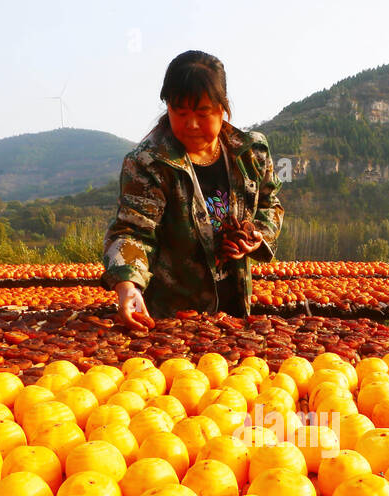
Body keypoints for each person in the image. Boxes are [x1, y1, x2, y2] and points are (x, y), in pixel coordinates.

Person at [102, 51, 285, 332]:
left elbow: (269, 204)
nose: (192, 124)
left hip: (233, 312)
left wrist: (255, 235)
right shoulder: (149, 163)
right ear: (167, 107)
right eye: (181, 112)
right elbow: (132, 232)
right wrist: (128, 285)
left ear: (222, 108)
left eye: (203, 113)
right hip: (170, 318)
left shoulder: (250, 153)